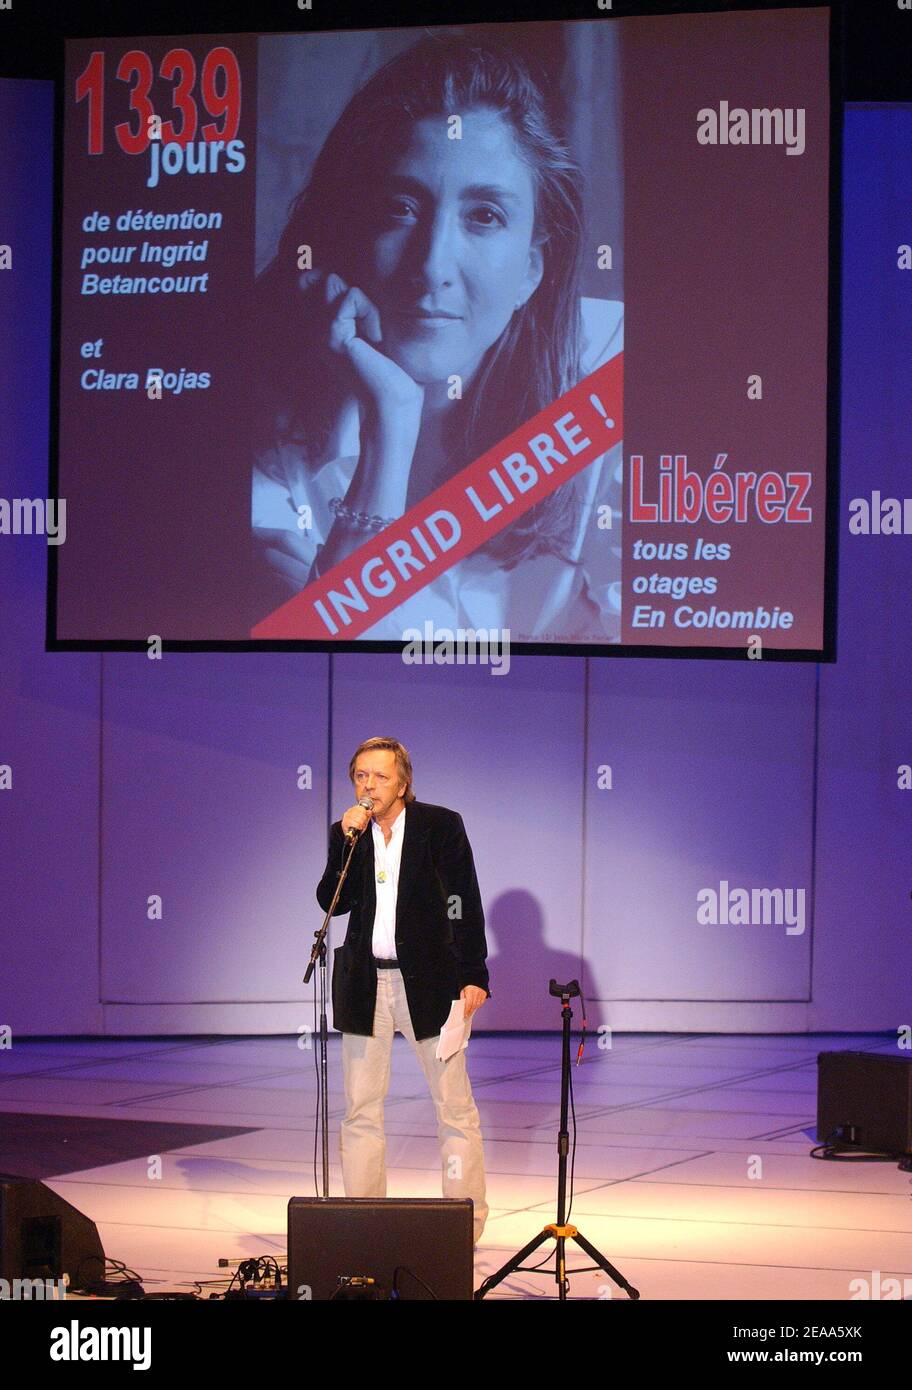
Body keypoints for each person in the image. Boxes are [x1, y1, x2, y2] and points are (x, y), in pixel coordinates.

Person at [253, 30, 623, 641]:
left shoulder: (614, 384)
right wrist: (389, 428)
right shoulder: (262, 409)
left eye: (484, 216)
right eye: (400, 208)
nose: (431, 265)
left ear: (532, 268)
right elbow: (320, 671)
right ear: (348, 232)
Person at [316, 736, 491, 1244]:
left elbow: (464, 898)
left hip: (432, 983)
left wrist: (473, 973)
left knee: (454, 1108)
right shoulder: (348, 832)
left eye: (380, 777)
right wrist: (344, 843)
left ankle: (465, 1223)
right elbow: (332, 900)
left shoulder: (440, 825)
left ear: (403, 783)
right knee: (361, 1109)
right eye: (361, 777)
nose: (368, 786)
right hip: (365, 982)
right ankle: (364, 1223)